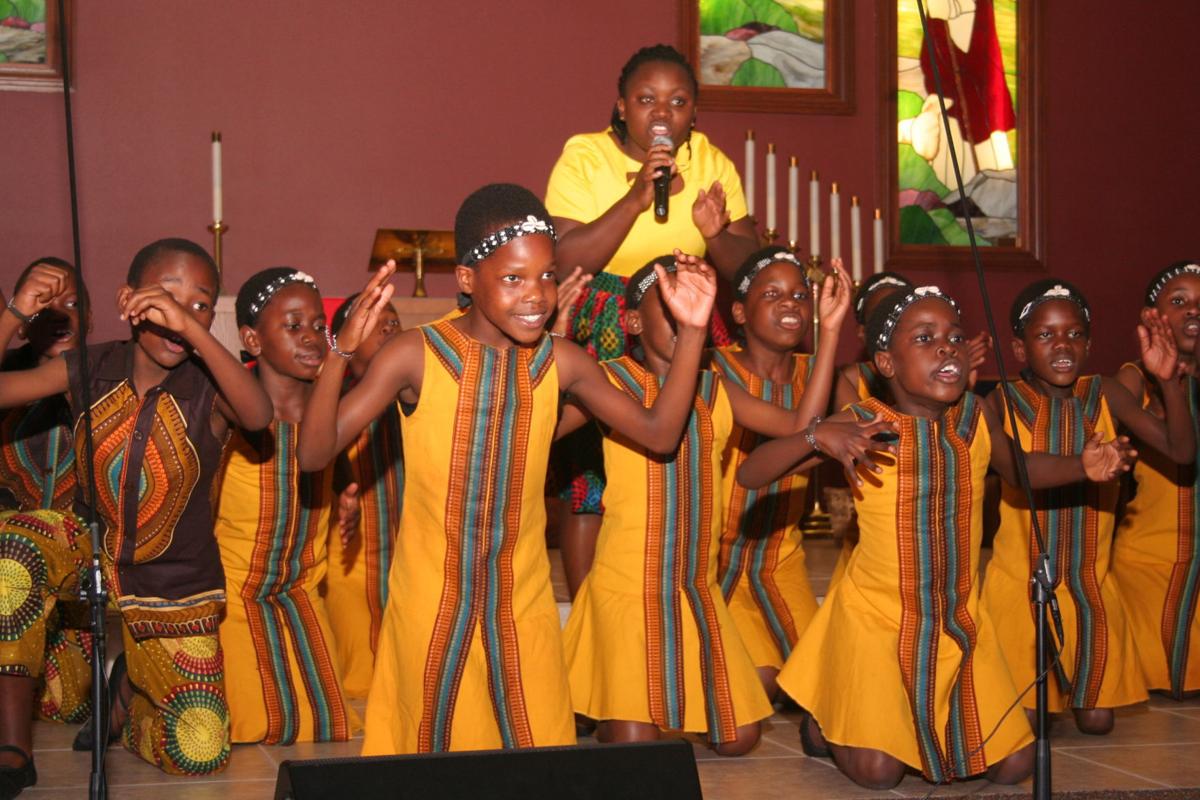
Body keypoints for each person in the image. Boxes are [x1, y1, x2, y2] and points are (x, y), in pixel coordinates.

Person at [296, 183, 718, 754]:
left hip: (523, 603)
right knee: (430, 758)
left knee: (534, 757)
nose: (537, 295)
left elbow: (660, 434)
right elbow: (315, 454)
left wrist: (693, 331)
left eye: (546, 276)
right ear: (467, 279)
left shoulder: (562, 361)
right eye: (513, 278)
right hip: (431, 601)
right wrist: (339, 354)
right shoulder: (415, 355)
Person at [739, 286, 1134, 789]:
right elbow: (752, 474)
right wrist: (817, 435)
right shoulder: (866, 424)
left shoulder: (977, 415)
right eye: (925, 338)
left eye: (952, 336)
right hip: (879, 619)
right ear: (885, 361)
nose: (946, 347)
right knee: (880, 775)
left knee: (1016, 766)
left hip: (958, 619)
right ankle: (823, 723)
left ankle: (882, 717)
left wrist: (1082, 465)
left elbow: (1020, 470)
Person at [0, 240, 272, 778]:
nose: (181, 314)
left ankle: (130, 692)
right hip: (86, 548)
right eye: (168, 296)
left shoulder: (211, 384)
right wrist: (14, 314)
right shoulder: (90, 365)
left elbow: (259, 415)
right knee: (14, 547)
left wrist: (192, 330)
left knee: (198, 751)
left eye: (200, 304)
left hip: (174, 581)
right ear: (129, 301)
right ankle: (13, 747)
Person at [561, 254, 850, 755]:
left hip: (694, 588)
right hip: (627, 590)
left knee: (740, 740)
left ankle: (653, 700)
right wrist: (556, 354)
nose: (684, 316)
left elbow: (800, 426)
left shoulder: (715, 387)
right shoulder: (609, 381)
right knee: (637, 748)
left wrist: (828, 334)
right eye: (670, 309)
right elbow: (533, 429)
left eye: (692, 307)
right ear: (632, 322)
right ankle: (605, 709)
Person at [544, 43, 759, 597]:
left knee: (681, 467)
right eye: (646, 99)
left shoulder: (711, 162)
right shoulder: (585, 157)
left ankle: (672, 592)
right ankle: (592, 617)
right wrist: (636, 197)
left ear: (694, 113)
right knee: (592, 476)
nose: (662, 114)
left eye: (678, 102)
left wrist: (715, 235)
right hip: (601, 320)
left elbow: (748, 264)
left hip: (681, 323)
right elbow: (566, 257)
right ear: (620, 106)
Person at [981, 279, 1192, 734]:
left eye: (1074, 334)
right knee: (1029, 722)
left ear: (1089, 343)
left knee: (1097, 722)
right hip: (1023, 587)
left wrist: (1169, 383)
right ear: (1018, 349)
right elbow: (1019, 472)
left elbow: (1180, 451)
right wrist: (1083, 466)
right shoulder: (1000, 401)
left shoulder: (1107, 393)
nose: (1062, 345)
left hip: (1088, 584)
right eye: (1045, 335)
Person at [215, 268, 357, 744]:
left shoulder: (333, 402)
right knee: (253, 725)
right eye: (293, 327)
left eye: (319, 326)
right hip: (234, 594)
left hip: (300, 592)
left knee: (326, 725)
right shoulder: (229, 410)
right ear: (253, 339)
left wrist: (346, 494)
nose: (312, 339)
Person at [708, 248, 833, 701]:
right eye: (773, 294)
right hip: (715, 562)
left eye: (801, 295)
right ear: (739, 311)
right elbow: (805, 434)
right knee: (759, 684)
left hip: (782, 561)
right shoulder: (711, 368)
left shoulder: (815, 376)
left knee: (819, 685)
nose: (790, 304)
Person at [0, 261, 90, 799]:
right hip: (6, 561)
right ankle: (13, 742)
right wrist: (12, 314)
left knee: (65, 705)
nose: (59, 318)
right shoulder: (9, 378)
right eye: (43, 306)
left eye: (73, 305)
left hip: (79, 558)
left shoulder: (109, 373)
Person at [1113, 262, 1200, 699]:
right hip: (1146, 565)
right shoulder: (1133, 380)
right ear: (1153, 317)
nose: (1193, 312)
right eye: (1179, 302)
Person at [322, 293, 404, 698]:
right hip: (350, 559)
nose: (390, 325)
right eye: (375, 320)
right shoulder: (331, 399)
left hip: (406, 555)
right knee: (363, 683)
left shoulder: (414, 393)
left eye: (394, 320)